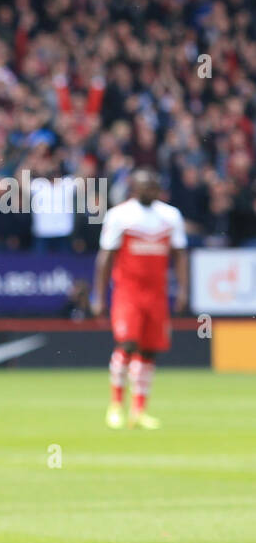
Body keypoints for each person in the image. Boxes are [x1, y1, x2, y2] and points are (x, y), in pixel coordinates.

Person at [91, 169, 188, 429]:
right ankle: (115, 404)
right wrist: (98, 295)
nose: (149, 191)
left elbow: (180, 255)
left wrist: (183, 290)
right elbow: (105, 258)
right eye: (145, 186)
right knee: (128, 343)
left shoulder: (170, 216)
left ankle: (139, 410)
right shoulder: (120, 215)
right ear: (134, 188)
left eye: (154, 186)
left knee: (149, 350)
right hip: (128, 292)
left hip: (157, 294)